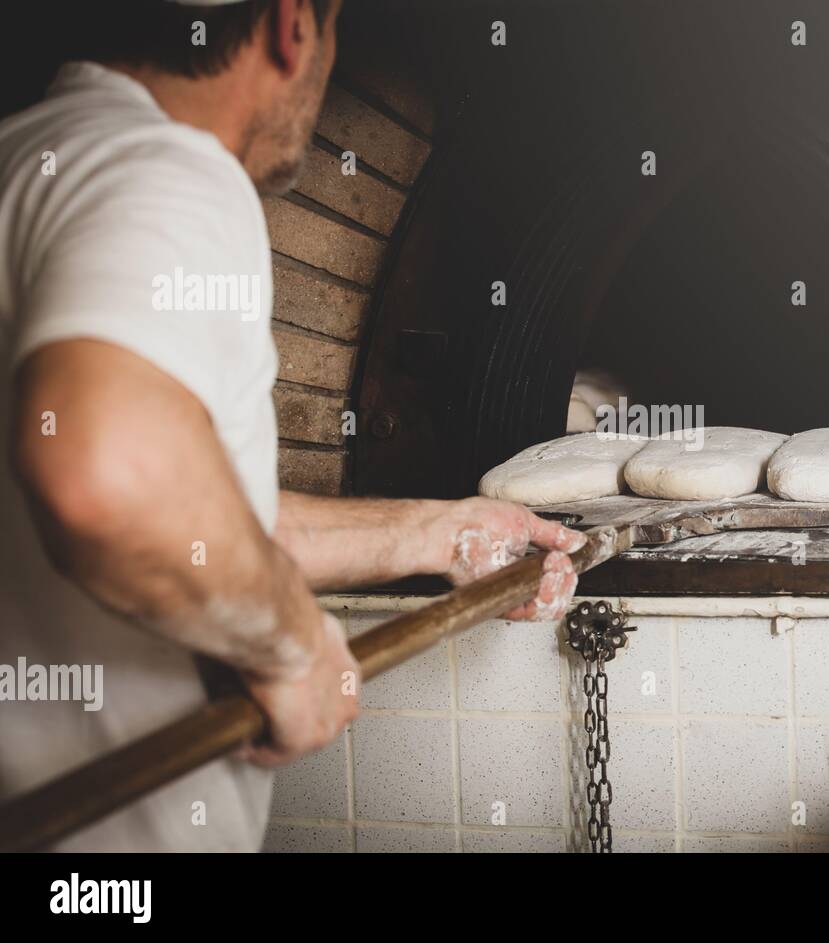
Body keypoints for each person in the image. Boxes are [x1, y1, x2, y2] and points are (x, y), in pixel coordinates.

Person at [0, 0, 583, 851]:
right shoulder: (165, 169)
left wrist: (438, 530)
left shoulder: (29, 157)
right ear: (292, 24)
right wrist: (291, 644)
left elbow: (196, 520)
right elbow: (104, 473)